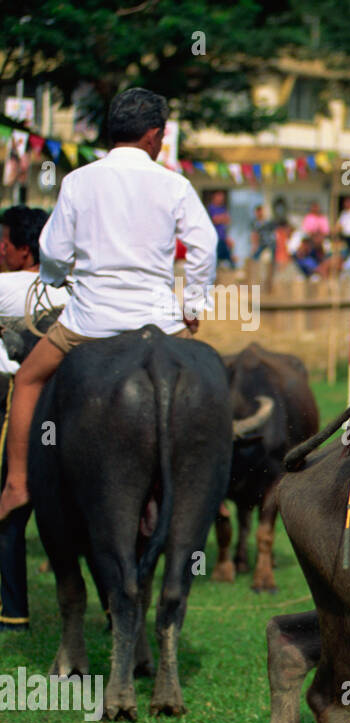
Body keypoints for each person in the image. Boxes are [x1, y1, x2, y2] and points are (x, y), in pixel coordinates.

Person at [0, 88, 215, 522]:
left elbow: (54, 249)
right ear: (154, 136)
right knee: (209, 385)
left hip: (88, 322)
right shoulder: (175, 184)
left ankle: (16, 485)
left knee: (26, 380)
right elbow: (204, 244)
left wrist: (57, 276)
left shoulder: (79, 180)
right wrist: (193, 304)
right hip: (160, 325)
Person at [0, 206, 69, 631]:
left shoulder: (5, 286)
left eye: (4, 242)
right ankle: (116, 613)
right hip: (74, 405)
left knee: (8, 507)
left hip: (22, 408)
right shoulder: (77, 288)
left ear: (25, 250)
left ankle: (12, 612)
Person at [207, 190, 235, 269]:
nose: (221, 199)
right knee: (215, 259)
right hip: (214, 238)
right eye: (219, 197)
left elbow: (228, 220)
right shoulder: (210, 208)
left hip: (223, 238)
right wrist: (221, 218)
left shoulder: (223, 208)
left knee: (229, 260)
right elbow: (214, 220)